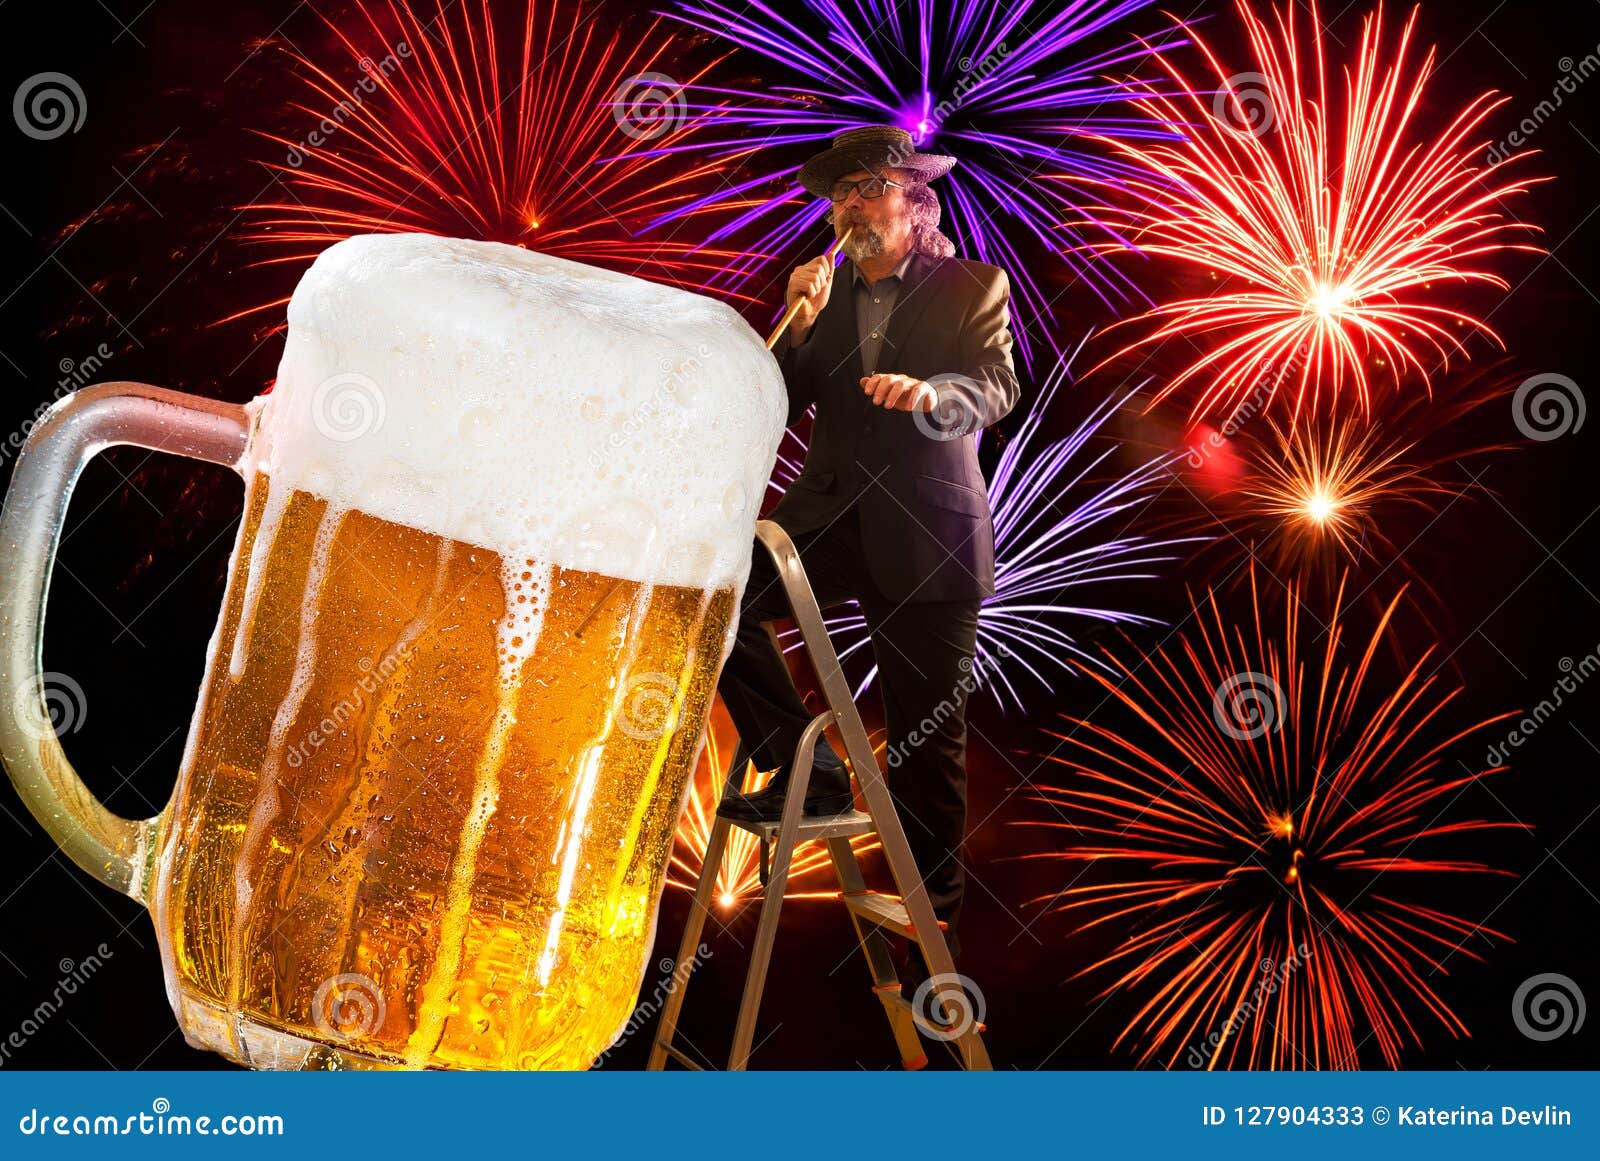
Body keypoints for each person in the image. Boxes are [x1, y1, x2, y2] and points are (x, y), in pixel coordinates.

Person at [715, 125, 1019, 989]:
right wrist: (794, 323)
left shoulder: (972, 286)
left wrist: (934, 395)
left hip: (928, 535)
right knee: (718, 593)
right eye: (840, 192)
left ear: (912, 200)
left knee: (927, 755)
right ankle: (808, 768)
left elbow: (996, 386)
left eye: (869, 185)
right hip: (827, 524)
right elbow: (769, 401)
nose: (850, 203)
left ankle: (933, 941)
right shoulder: (830, 292)